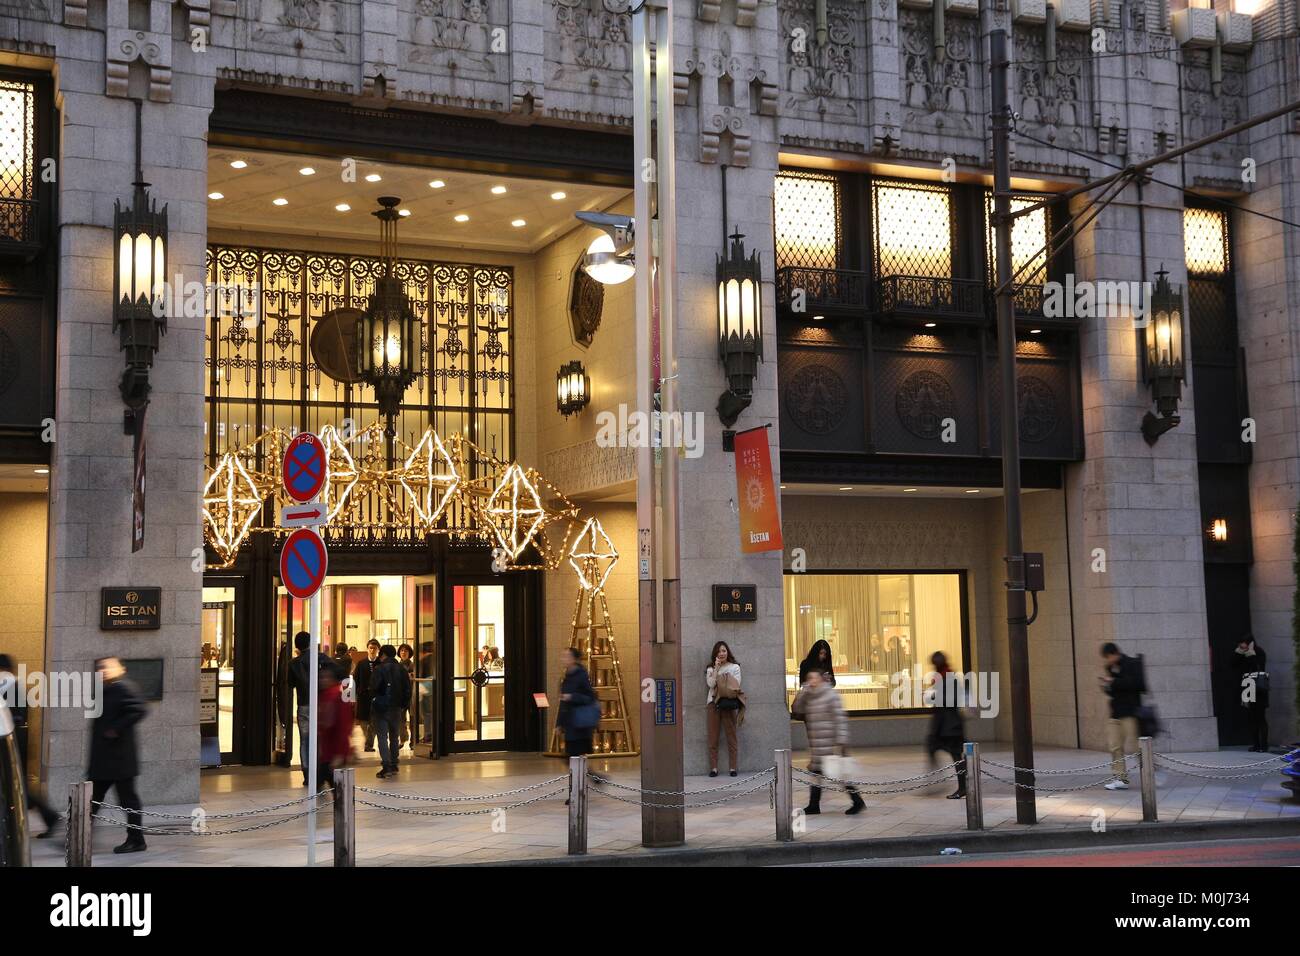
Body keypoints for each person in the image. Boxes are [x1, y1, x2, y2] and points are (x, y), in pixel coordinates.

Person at [86, 657, 149, 854]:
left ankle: (136, 839)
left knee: (127, 801)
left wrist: (115, 729)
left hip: (119, 759)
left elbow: (139, 709)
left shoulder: (124, 687)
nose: (103, 670)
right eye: (100, 667)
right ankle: (79, 835)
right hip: (105, 759)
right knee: (92, 800)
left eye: (107, 667)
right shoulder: (106, 689)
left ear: (120, 669)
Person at [0, 654, 59, 836]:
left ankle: (49, 817)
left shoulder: (13, 686)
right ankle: (48, 817)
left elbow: (16, 719)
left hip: (12, 745)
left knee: (18, 787)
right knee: (16, 787)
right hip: (13, 743)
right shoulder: (10, 686)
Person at [793, 669, 864, 815]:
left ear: (821, 679)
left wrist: (842, 740)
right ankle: (814, 805)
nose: (812, 681)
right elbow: (797, 710)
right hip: (816, 742)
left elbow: (840, 718)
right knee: (817, 772)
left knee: (837, 772)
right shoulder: (809, 696)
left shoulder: (831, 695)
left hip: (829, 743)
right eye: (809, 678)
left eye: (814, 677)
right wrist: (803, 692)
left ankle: (857, 801)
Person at [288, 631, 335, 786]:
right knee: (323, 739)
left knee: (305, 741)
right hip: (323, 705)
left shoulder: (294, 663)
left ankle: (308, 773)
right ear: (310, 642)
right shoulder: (321, 658)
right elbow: (338, 672)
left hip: (304, 705)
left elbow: (290, 684)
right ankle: (322, 771)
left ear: (297, 646)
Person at [1100, 642, 1144, 790]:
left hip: (1130, 712)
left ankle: (1151, 771)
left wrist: (1114, 681)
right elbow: (1112, 691)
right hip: (1115, 712)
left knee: (1137, 746)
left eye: (1109, 657)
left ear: (1115, 653)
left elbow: (1138, 684)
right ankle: (1120, 778)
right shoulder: (1109, 668)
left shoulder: (1132, 663)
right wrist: (1106, 686)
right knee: (1114, 746)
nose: (1108, 660)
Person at [924, 651, 967, 799]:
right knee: (932, 748)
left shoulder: (948, 677)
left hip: (950, 726)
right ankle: (937, 781)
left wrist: (937, 696)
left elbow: (953, 699)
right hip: (943, 725)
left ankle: (963, 787)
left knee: (957, 756)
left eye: (935, 664)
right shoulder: (942, 677)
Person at [705, 641, 743, 777]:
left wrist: (722, 681)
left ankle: (733, 768)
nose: (722, 653)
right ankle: (713, 768)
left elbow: (736, 684)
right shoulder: (710, 668)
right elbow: (710, 684)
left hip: (729, 703)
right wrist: (716, 669)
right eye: (719, 651)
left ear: (728, 652)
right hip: (713, 704)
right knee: (712, 737)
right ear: (715, 654)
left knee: (731, 736)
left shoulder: (735, 667)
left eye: (724, 651)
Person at [370, 645, 409, 779]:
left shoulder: (379, 669)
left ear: (384, 654)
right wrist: (403, 705)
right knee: (394, 736)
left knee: (382, 736)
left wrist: (374, 699)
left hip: (382, 707)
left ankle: (386, 765)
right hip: (396, 707)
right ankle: (394, 763)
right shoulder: (402, 669)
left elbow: (374, 687)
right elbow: (407, 689)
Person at [317, 663, 354, 792]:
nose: (322, 680)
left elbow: (344, 725)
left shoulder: (338, 694)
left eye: (326, 677)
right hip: (327, 750)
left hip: (335, 751)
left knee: (339, 790)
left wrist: (340, 753)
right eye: (321, 677)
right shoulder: (325, 694)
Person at [556, 647, 596, 761]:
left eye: (566, 656)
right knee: (571, 757)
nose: (563, 659)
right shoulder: (566, 678)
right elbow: (563, 703)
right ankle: (592, 777)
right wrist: (559, 724)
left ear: (573, 659)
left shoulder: (581, 676)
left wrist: (572, 697)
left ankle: (593, 777)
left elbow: (590, 697)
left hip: (580, 724)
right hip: (570, 724)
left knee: (573, 757)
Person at [1234, 635, 1270, 752]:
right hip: (1248, 687)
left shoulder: (1259, 652)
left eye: (1244, 643)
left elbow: (1257, 666)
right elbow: (1233, 665)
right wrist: (1239, 653)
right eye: (1240, 643)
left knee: (1260, 717)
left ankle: (1264, 745)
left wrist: (1250, 653)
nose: (1242, 645)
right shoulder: (1242, 653)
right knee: (1251, 718)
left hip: (1259, 688)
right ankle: (1256, 744)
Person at [352, 639, 381, 753]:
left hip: (376, 696)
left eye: (374, 648)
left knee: (373, 721)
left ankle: (369, 744)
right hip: (363, 696)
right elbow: (355, 679)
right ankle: (368, 739)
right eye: (370, 648)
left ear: (378, 650)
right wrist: (355, 694)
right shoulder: (361, 663)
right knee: (363, 721)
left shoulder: (380, 663)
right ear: (367, 649)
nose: (372, 650)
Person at [397, 643, 415, 751]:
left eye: (406, 651)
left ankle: (413, 741)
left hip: (411, 695)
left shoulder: (413, 665)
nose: (403, 653)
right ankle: (402, 739)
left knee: (413, 719)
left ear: (409, 653)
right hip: (400, 696)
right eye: (402, 651)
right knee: (400, 720)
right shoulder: (396, 665)